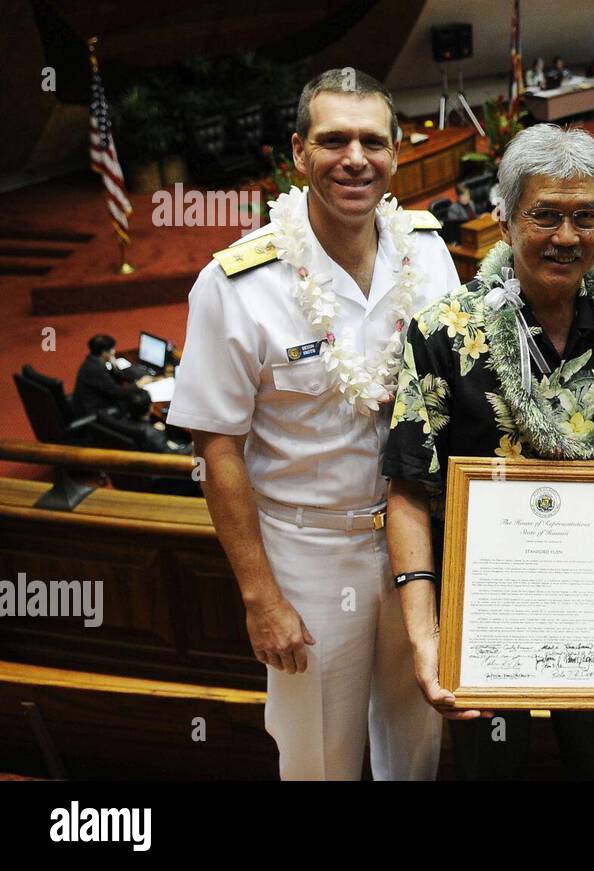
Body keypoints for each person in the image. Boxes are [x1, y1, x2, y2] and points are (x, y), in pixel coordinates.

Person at [165, 68, 460, 781]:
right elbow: (217, 447)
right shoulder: (238, 283)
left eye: (372, 141)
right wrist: (261, 596)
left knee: (420, 743)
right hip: (309, 552)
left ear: (396, 153)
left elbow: (461, 393)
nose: (354, 158)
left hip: (417, 540)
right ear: (298, 153)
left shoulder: (429, 251)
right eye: (333, 141)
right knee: (317, 759)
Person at [382, 124, 594, 780]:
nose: (566, 237)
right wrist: (425, 638)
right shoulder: (445, 333)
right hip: (485, 616)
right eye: (544, 215)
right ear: (504, 219)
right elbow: (406, 487)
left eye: (585, 215)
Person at [72, 334, 141, 418]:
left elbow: (114, 381)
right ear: (104, 352)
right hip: (91, 410)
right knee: (134, 400)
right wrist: (139, 384)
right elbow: (117, 392)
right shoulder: (96, 369)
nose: (114, 351)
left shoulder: (92, 361)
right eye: (112, 349)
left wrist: (114, 367)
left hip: (88, 401)